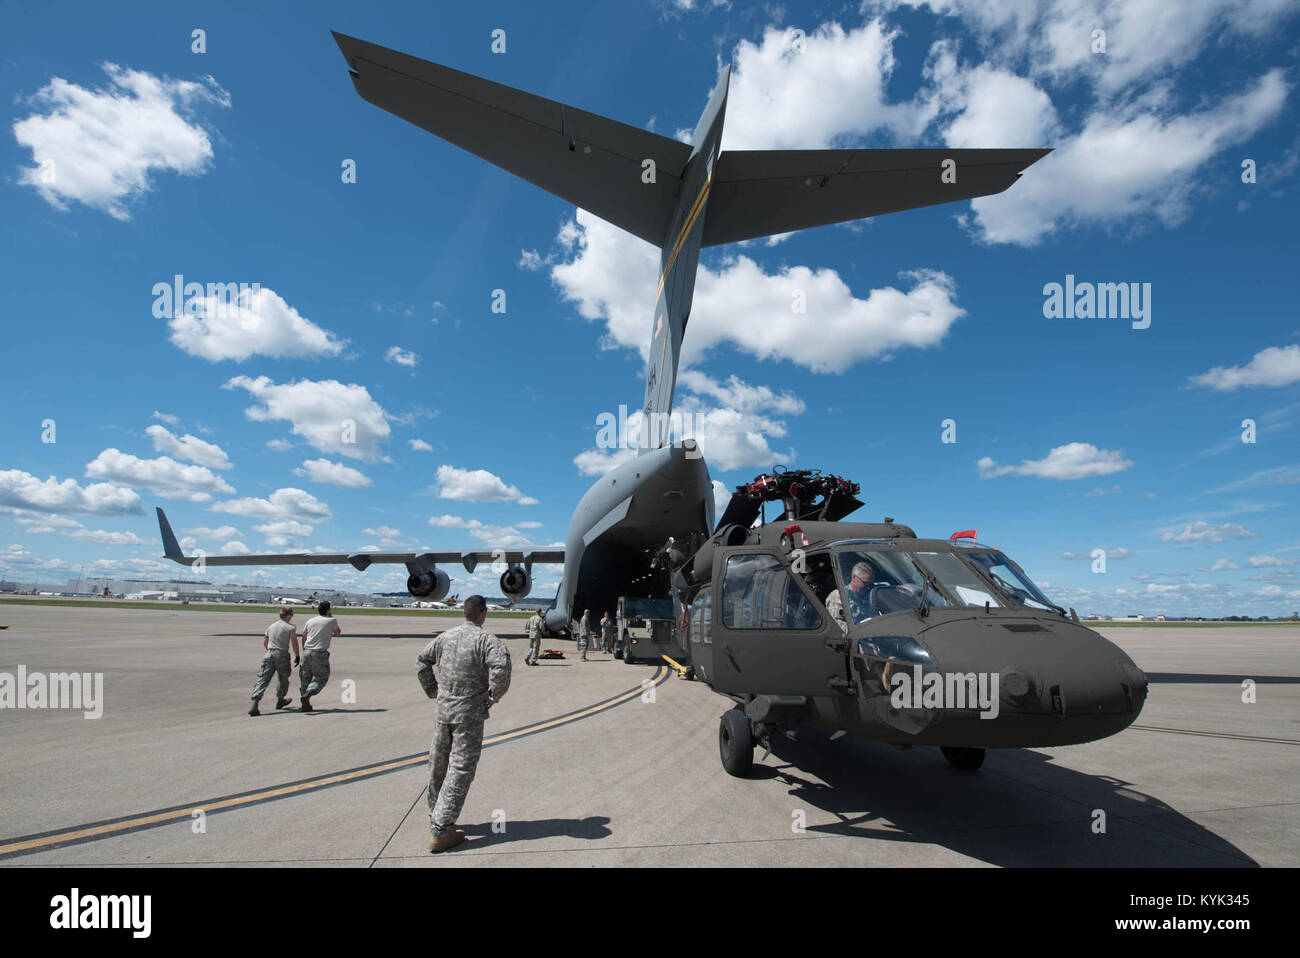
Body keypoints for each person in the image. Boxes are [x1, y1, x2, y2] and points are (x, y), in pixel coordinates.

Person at [416, 595, 512, 853]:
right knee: (460, 768)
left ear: (464, 613)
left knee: (438, 761)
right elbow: (502, 667)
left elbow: (422, 660)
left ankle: (435, 814)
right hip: (468, 713)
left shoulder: (445, 637)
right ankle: (442, 828)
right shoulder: (486, 640)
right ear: (483, 613)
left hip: (443, 710)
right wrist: (492, 696)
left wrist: (434, 692)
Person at [249, 607, 298, 716]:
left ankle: (255, 702)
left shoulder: (271, 626)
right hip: (282, 654)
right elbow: (294, 643)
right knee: (283, 679)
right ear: (288, 615)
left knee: (263, 678)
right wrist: (297, 655)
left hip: (269, 653)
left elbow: (266, 642)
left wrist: (270, 651)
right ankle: (280, 699)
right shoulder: (290, 627)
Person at [298, 600, 341, 711]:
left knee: (305, 678)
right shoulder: (332, 620)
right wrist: (330, 616)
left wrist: (304, 649)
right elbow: (337, 632)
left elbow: (304, 636)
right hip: (320, 652)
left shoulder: (310, 620)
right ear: (328, 610)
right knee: (322, 676)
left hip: (307, 650)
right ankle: (309, 693)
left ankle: (304, 704)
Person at [825, 560, 876, 632]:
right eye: (865, 583)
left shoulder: (868, 598)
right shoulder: (839, 596)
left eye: (870, 584)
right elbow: (840, 628)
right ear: (854, 577)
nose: (868, 587)